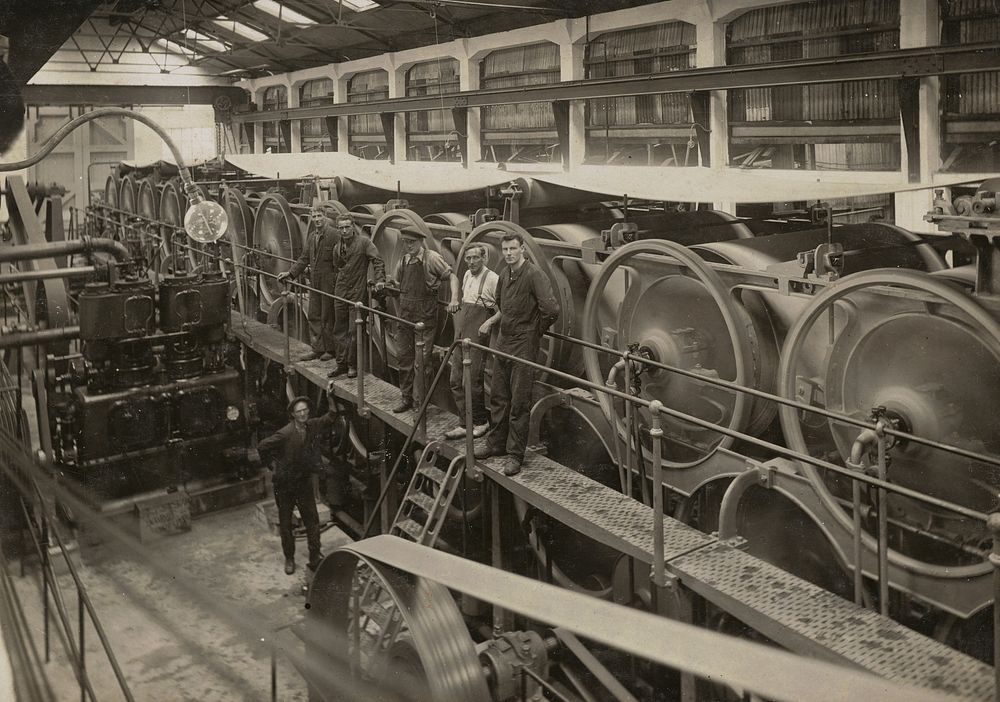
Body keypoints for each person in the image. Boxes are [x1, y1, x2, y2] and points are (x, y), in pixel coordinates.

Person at [473, 232, 559, 476]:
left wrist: (534, 332)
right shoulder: (504, 274)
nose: (509, 253)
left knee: (519, 401)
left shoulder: (533, 275)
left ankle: (514, 454)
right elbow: (501, 303)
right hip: (504, 342)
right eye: (506, 249)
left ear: (523, 249)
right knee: (499, 396)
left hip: (523, 344)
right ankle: (496, 443)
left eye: (513, 248)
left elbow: (551, 309)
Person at [250, 393, 338, 575]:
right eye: (299, 411)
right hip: (285, 485)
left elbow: (330, 417)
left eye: (305, 410)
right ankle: (289, 558)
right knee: (286, 522)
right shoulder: (285, 433)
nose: (303, 414)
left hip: (303, 483)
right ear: (293, 414)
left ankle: (315, 555)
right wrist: (272, 466)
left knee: (312, 520)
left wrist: (330, 397)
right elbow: (262, 446)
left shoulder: (312, 426)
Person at [387, 226, 460, 413]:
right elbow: (397, 284)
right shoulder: (403, 261)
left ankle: (420, 404)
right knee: (404, 359)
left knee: (421, 362)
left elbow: (452, 277)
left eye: (412, 243)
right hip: (405, 318)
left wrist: (454, 299)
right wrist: (388, 284)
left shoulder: (431, 258)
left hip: (424, 319)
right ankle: (406, 398)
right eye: (405, 243)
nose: (408, 246)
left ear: (420, 242)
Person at [444, 243, 498, 439]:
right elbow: (463, 301)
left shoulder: (493, 279)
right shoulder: (466, 275)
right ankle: (464, 423)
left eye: (476, 257)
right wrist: (454, 299)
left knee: (472, 381)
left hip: (477, 335)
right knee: (455, 379)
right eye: (468, 258)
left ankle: (481, 422)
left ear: (484, 258)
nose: (472, 262)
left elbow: (504, 309)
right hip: (462, 333)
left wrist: (490, 322)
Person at [277, 207, 339, 362]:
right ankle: (317, 349)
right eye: (314, 216)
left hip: (329, 281)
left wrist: (337, 279)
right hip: (315, 281)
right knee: (313, 314)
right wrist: (290, 273)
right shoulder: (312, 236)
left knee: (327, 315)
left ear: (325, 217)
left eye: (319, 216)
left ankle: (330, 350)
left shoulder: (334, 235)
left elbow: (342, 259)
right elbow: (304, 258)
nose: (317, 219)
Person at [330, 214, 385, 379]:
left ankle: (352, 365)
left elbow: (378, 261)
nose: (344, 230)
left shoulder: (364, 243)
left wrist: (380, 280)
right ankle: (341, 365)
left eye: (347, 227)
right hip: (341, 291)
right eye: (341, 228)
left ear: (353, 226)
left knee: (354, 331)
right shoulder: (337, 247)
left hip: (357, 291)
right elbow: (337, 266)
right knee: (339, 329)